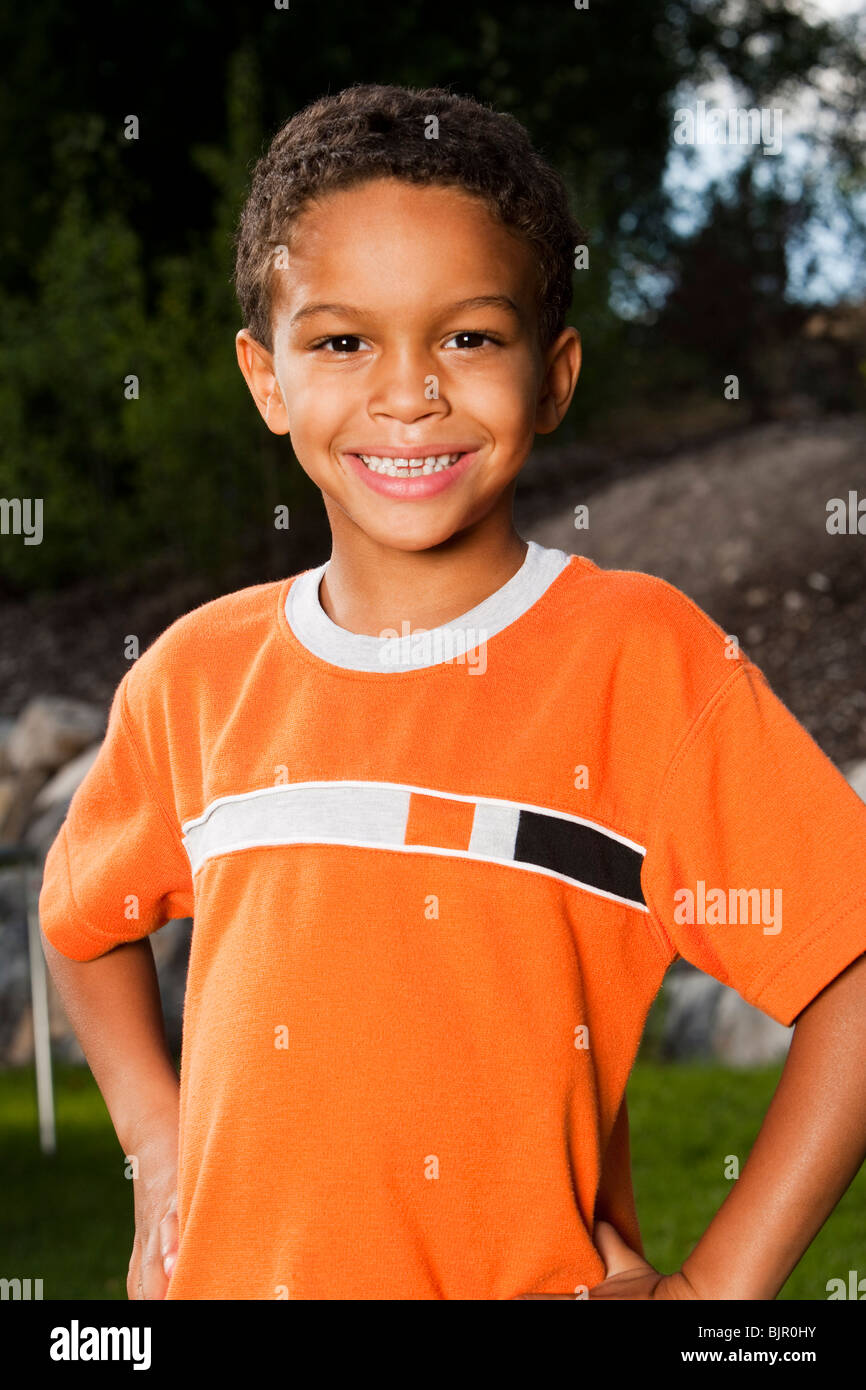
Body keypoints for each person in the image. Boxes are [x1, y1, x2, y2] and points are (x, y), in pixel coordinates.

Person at [39, 83, 866, 1302]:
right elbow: (80, 921)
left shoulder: (637, 658)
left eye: (468, 336)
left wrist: (713, 1298)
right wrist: (157, 1141)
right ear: (265, 379)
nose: (408, 391)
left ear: (555, 373)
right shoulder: (193, 677)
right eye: (340, 341)